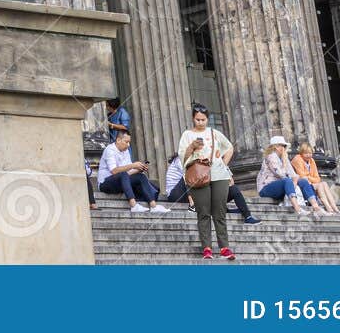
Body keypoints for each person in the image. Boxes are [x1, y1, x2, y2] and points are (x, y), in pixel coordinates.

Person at [178, 103, 237, 259]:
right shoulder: (187, 135)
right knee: (203, 212)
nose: (200, 122)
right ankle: (207, 248)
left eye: (203, 119)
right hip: (198, 174)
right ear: (193, 119)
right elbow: (182, 158)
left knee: (220, 212)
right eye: (197, 119)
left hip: (219, 174)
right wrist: (192, 147)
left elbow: (229, 147)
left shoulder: (214, 133)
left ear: (207, 119)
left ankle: (224, 247)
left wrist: (223, 163)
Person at [162, 153, 262, 223]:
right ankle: (193, 205)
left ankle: (247, 216)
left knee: (233, 189)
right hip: (176, 195)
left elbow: (230, 182)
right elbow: (188, 175)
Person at [97, 129, 166, 213]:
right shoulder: (110, 150)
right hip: (105, 183)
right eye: (126, 142)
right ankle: (133, 205)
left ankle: (153, 206)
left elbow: (128, 173)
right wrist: (133, 165)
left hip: (121, 181)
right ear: (118, 140)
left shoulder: (125, 151)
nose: (128, 145)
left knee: (140, 176)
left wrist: (138, 169)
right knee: (122, 174)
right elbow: (114, 171)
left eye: (129, 142)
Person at [256, 135, 319, 215]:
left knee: (303, 181)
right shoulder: (270, 157)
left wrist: (295, 179)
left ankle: (316, 207)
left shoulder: (284, 158)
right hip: (265, 188)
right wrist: (294, 180)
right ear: (276, 147)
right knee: (287, 181)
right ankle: (298, 209)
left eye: (284, 146)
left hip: (282, 185)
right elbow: (280, 174)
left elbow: (293, 174)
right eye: (283, 146)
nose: (285, 148)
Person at [293, 141, 340, 215]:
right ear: (301, 153)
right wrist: (311, 178)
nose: (308, 155)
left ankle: (334, 207)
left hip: (311, 184)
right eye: (306, 153)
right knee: (320, 184)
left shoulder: (311, 161)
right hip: (301, 185)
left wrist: (308, 177)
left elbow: (318, 178)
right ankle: (329, 207)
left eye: (310, 153)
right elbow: (302, 176)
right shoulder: (297, 159)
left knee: (323, 183)